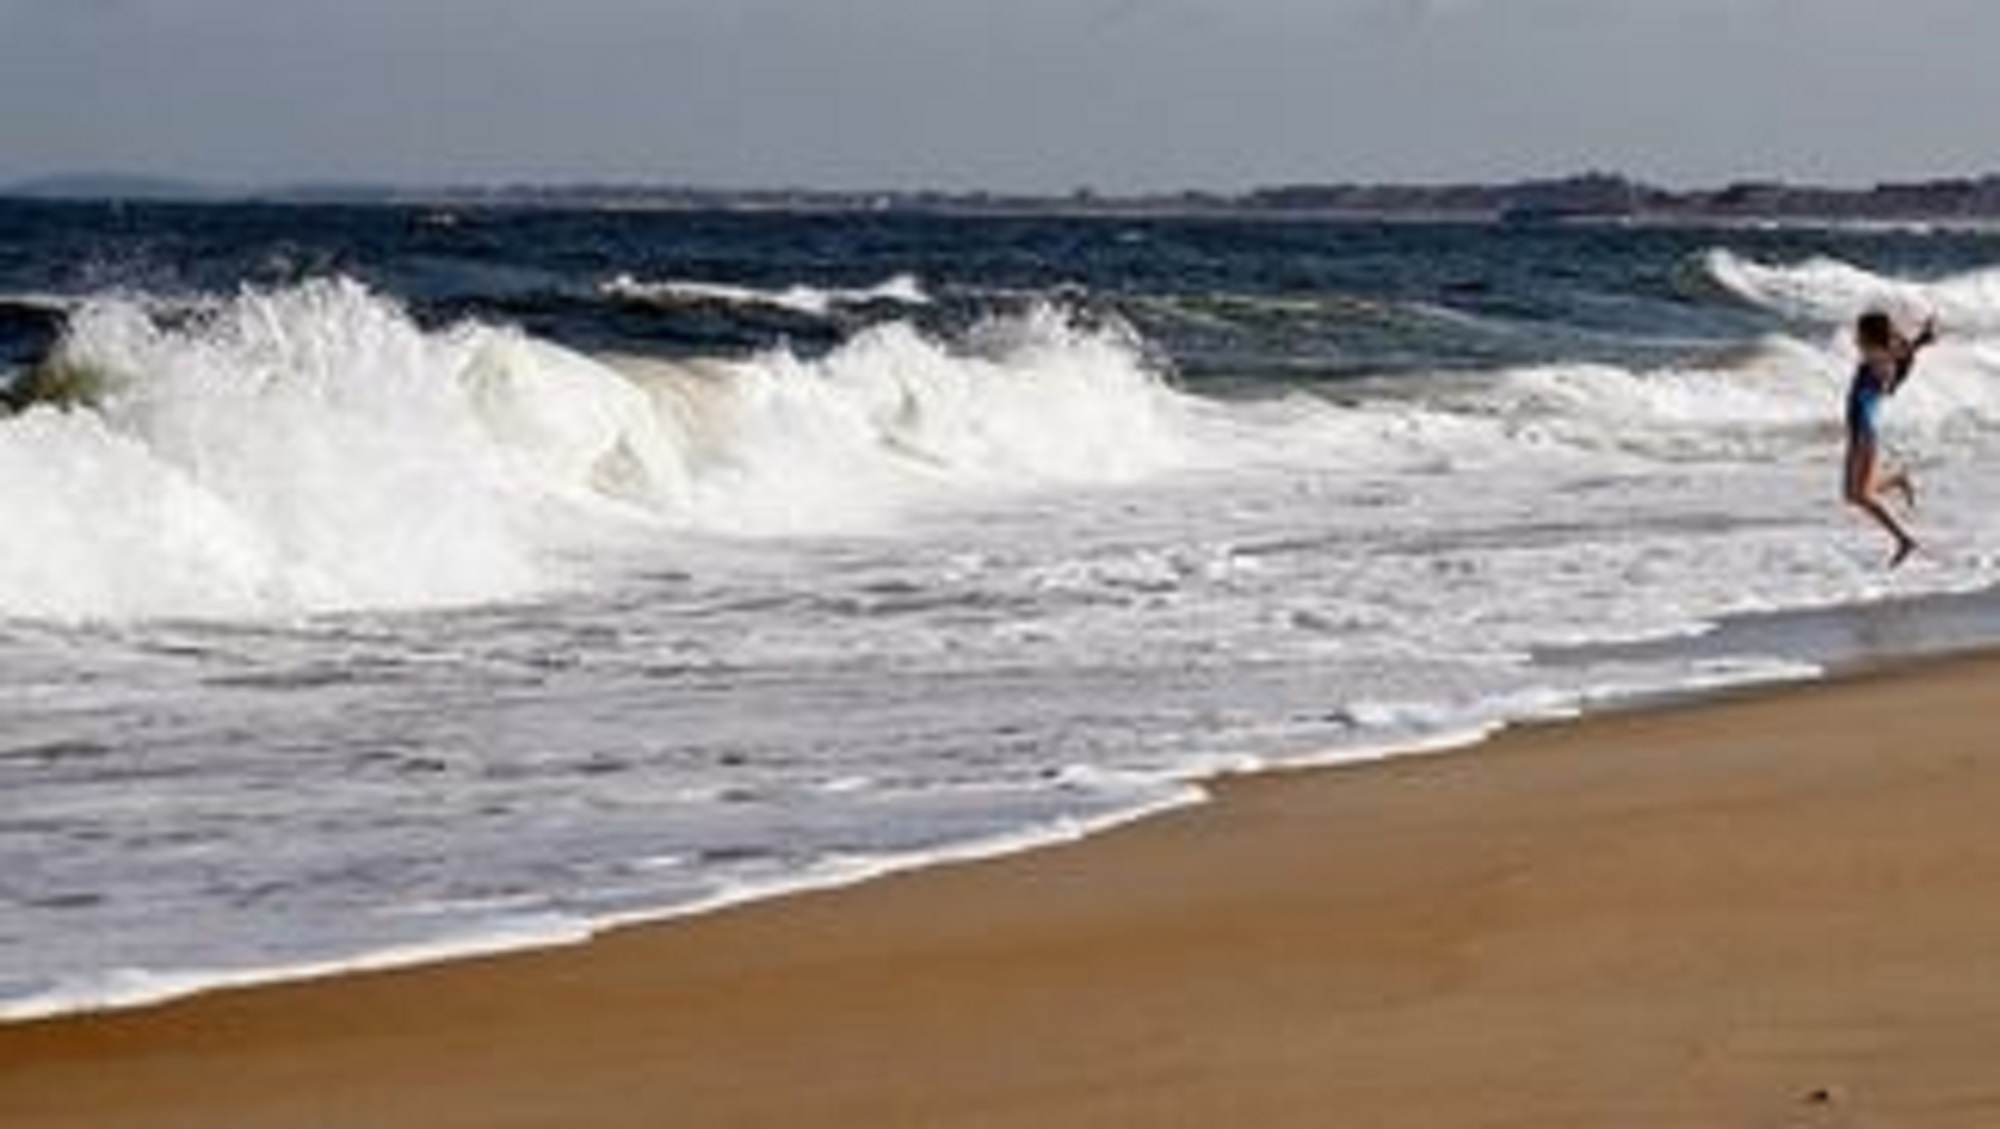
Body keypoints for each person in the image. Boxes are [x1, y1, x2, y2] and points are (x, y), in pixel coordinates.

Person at [1844, 310, 1936, 567]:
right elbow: (1903, 353)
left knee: (1860, 496)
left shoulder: (1879, 359)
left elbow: (1898, 353)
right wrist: (1919, 340)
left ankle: (1904, 541)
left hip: (1865, 434)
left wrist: (1914, 341)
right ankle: (1897, 479)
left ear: (1870, 337)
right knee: (1853, 495)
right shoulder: (1883, 358)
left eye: (1859, 332)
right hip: (1859, 431)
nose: (1855, 337)